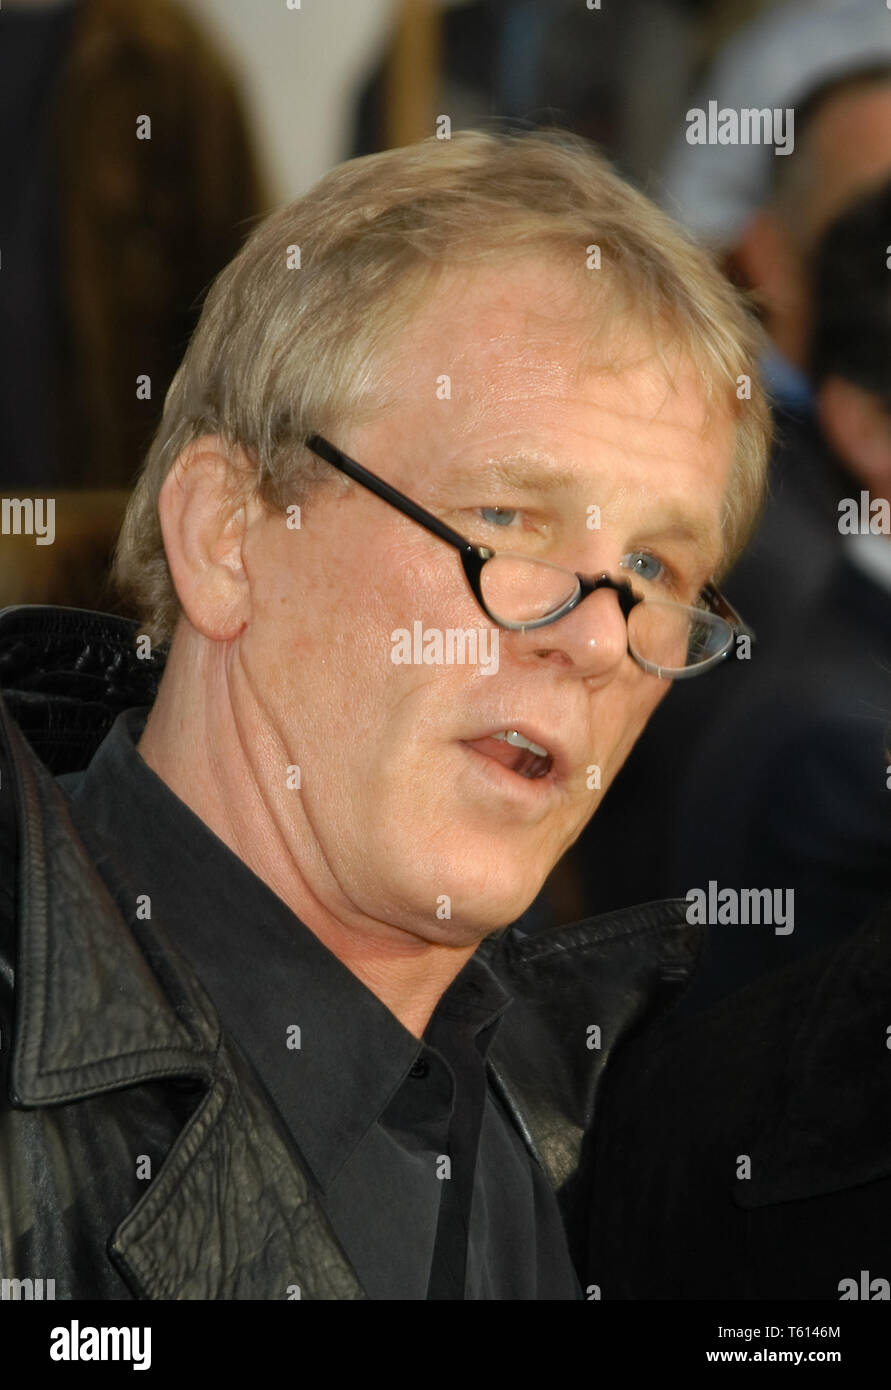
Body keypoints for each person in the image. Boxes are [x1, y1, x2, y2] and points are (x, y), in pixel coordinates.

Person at [0, 130, 769, 1300]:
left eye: (658, 571)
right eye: (508, 518)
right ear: (227, 536)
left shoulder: (562, 1125)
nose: (600, 639)